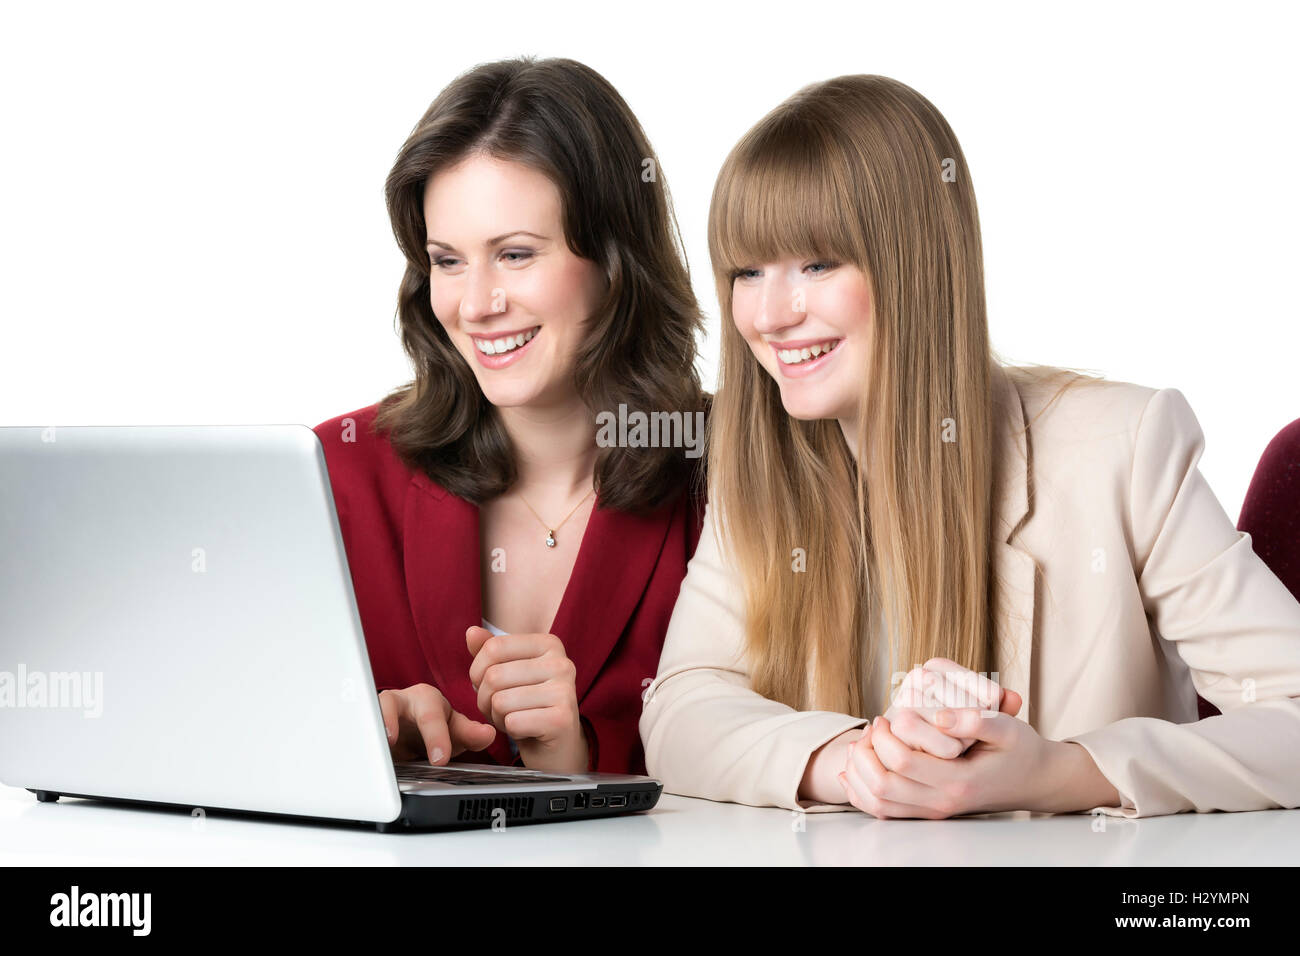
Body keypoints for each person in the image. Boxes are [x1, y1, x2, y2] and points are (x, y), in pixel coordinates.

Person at [639, 74, 1300, 818]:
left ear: (917, 265)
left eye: (817, 264)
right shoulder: (758, 464)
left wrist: (1060, 773)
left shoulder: (1125, 448)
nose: (768, 315)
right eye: (747, 272)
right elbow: (680, 709)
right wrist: (860, 760)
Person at [317, 57, 707, 775]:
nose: (475, 305)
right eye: (448, 261)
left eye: (516, 254)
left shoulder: (729, 474)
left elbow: (774, 737)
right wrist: (362, 741)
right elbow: (245, 725)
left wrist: (579, 755)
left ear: (615, 260)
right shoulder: (336, 472)